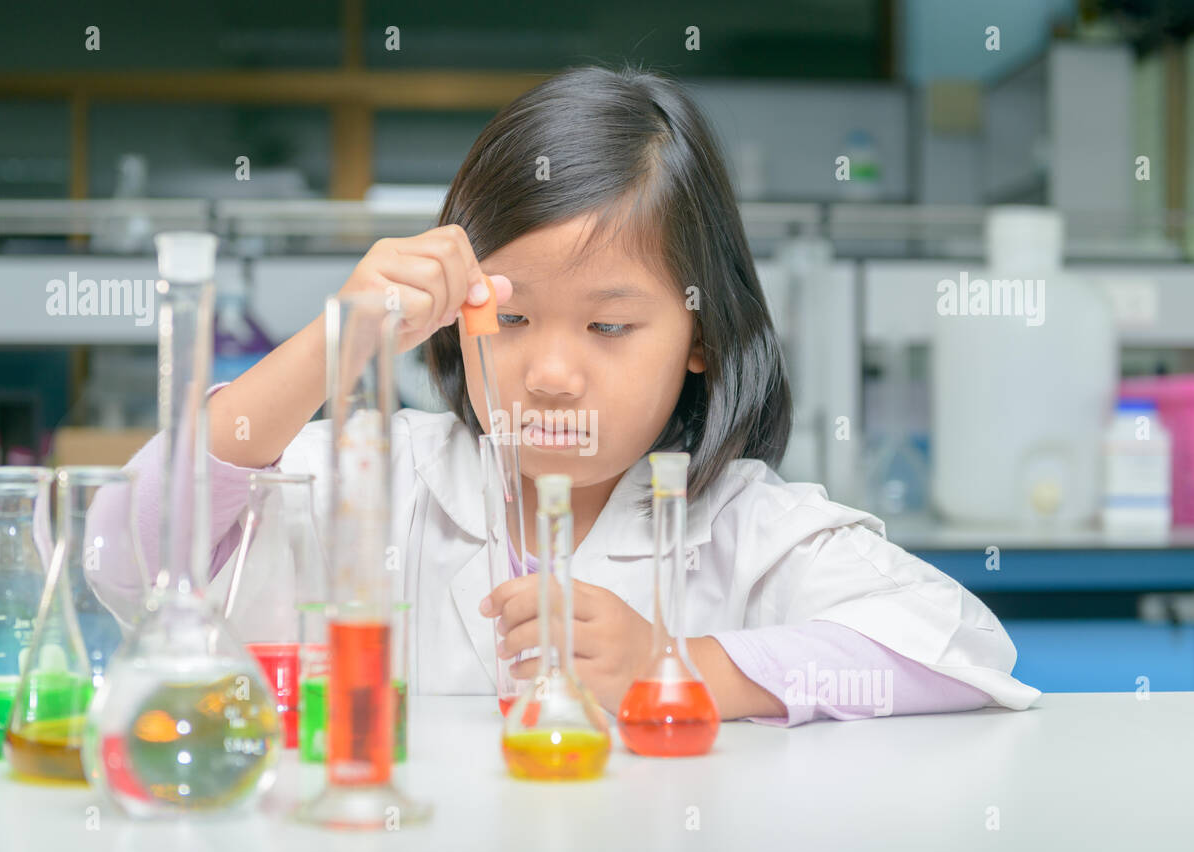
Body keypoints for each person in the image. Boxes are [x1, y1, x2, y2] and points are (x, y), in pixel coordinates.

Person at [90, 65, 1039, 726]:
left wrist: (681, 669)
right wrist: (330, 346)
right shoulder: (370, 476)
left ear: (702, 333)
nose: (550, 371)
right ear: (459, 315)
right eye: (510, 318)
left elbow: (957, 650)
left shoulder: (741, 526)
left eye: (609, 327)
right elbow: (122, 557)